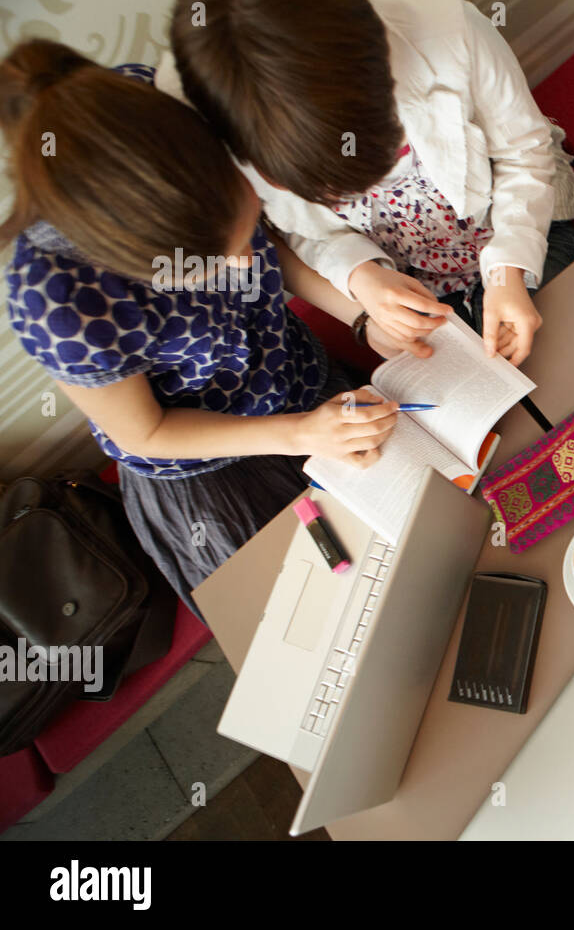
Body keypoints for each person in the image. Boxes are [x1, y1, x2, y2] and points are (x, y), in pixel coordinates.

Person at [1, 40, 421, 615]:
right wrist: (298, 435)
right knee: (323, 618)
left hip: (298, 381)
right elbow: (144, 434)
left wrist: (361, 314)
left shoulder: (175, 113)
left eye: (245, 226)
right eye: (215, 263)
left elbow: (273, 247)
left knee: (424, 540)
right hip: (209, 470)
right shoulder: (55, 298)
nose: (250, 265)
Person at [163, 0, 574, 367]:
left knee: (562, 348)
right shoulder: (204, 130)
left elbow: (524, 150)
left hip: (519, 220)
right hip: (405, 275)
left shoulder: (445, 26)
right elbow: (297, 230)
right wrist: (360, 275)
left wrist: (509, 269)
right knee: (470, 375)